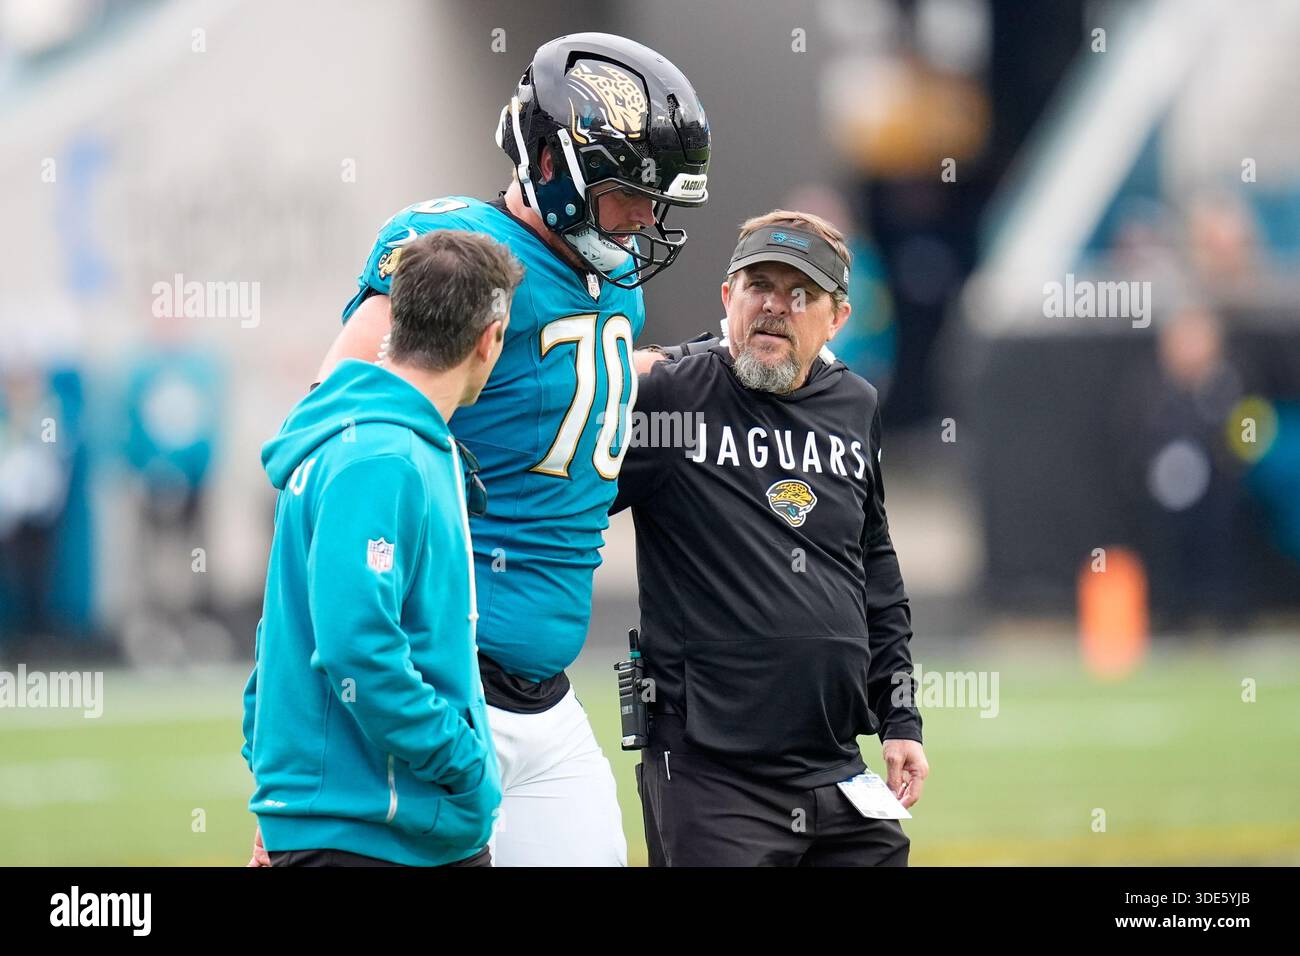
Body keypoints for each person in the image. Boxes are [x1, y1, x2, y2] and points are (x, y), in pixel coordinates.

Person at [250, 32, 711, 867]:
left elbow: (572, 388)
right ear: (549, 162)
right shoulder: (464, 254)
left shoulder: (602, 283)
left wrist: (708, 367)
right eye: (625, 195)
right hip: (447, 678)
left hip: (543, 698)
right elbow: (331, 431)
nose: (646, 219)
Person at [615, 210, 930, 866]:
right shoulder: (672, 395)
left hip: (834, 764)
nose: (775, 308)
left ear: (837, 318)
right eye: (759, 286)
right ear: (728, 296)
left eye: (801, 294)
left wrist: (899, 716)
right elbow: (559, 495)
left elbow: (875, 566)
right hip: (711, 771)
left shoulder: (856, 406)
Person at [241, 230, 521, 866]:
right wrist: (467, 767)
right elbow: (357, 652)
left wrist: (281, 792)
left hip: (354, 827)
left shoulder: (362, 437)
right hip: (379, 834)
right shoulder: (385, 456)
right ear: (489, 339)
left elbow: (275, 643)